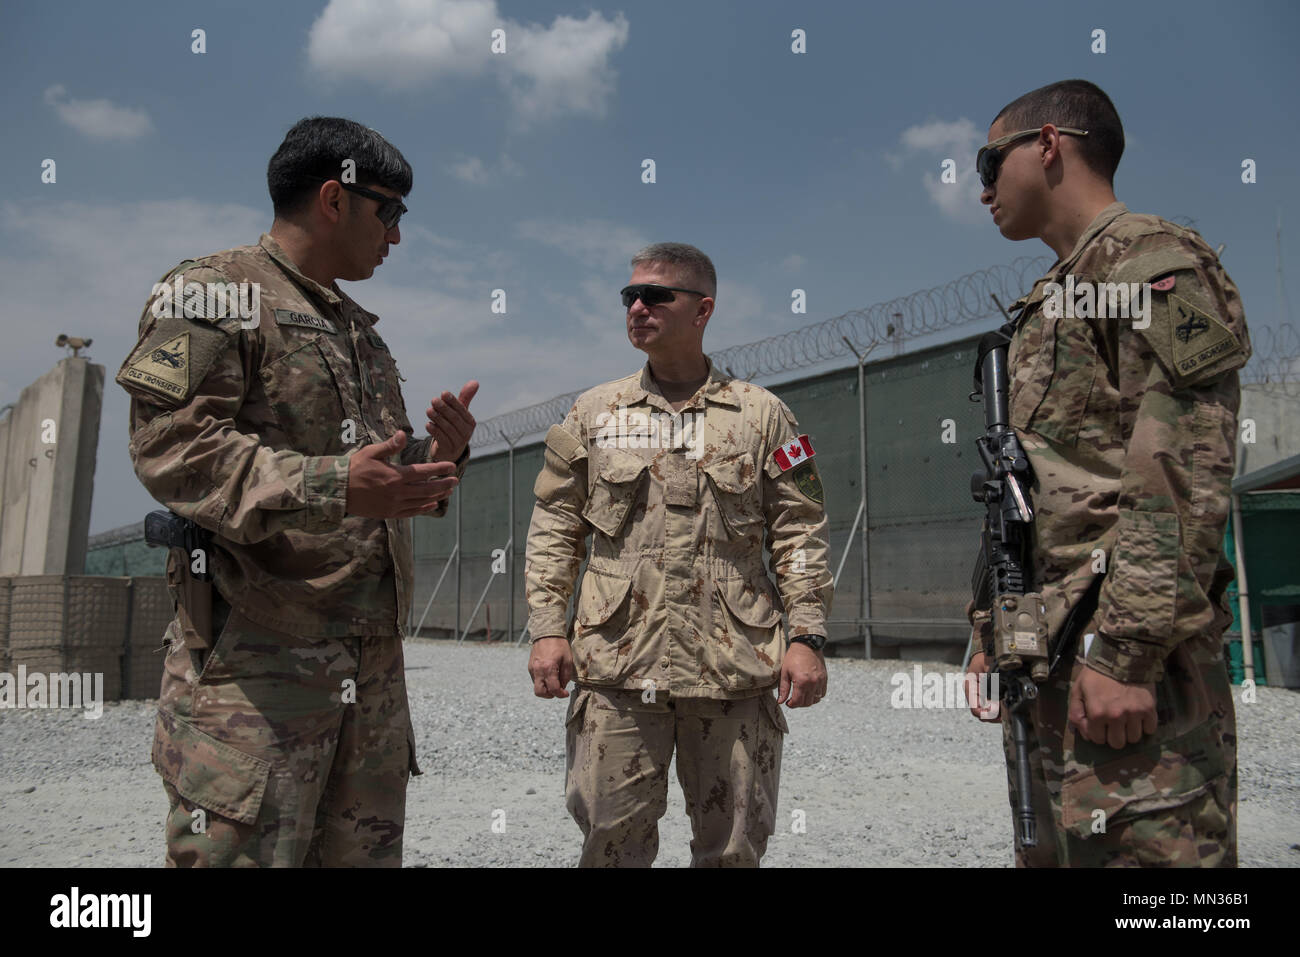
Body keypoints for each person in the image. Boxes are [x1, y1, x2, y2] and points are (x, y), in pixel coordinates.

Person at [117, 116, 478, 867]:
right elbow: (171, 446)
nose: (398, 237)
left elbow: (369, 469)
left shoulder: (359, 332)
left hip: (366, 663)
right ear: (334, 198)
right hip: (258, 665)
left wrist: (434, 460)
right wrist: (340, 484)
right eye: (393, 212)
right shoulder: (212, 293)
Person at [964, 80, 1248, 867]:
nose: (982, 188)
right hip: (1050, 666)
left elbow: (1183, 471)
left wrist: (1125, 651)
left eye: (991, 162)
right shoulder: (1049, 299)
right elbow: (1026, 492)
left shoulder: (1151, 264)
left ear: (1049, 144)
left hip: (1127, 674)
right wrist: (992, 632)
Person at [525, 242, 833, 867]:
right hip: (619, 663)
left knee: (733, 849)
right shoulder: (594, 413)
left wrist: (807, 636)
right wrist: (546, 630)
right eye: (629, 296)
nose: (637, 306)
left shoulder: (764, 415)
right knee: (611, 840)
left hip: (734, 667)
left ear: (702, 309)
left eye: (656, 295)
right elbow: (555, 525)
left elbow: (800, 531)